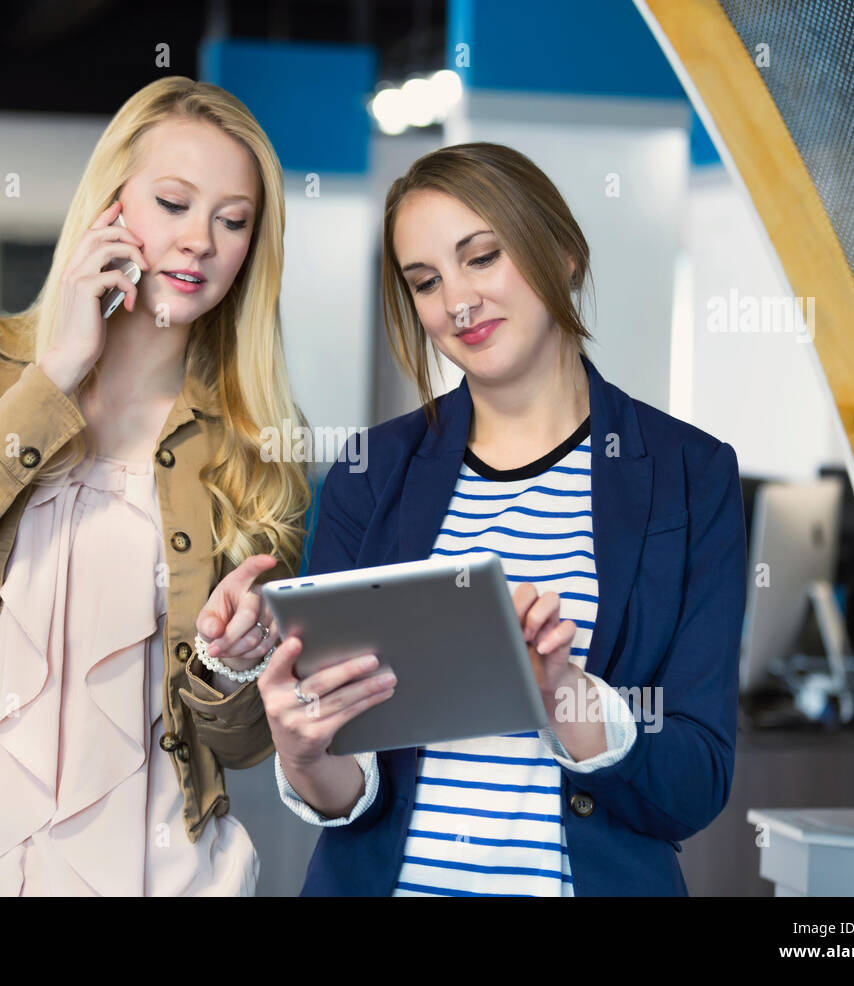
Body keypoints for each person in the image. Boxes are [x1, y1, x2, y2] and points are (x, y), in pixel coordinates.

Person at [0, 76, 309, 896]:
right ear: (111, 205)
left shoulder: (257, 444)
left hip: (143, 853)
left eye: (233, 221)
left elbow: (242, 741)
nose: (200, 240)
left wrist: (235, 666)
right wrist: (55, 374)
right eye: (173, 202)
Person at [255, 142, 747, 896]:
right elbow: (344, 794)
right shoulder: (370, 472)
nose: (456, 301)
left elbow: (695, 786)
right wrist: (304, 754)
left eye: (481, 258)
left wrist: (561, 691)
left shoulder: (691, 475)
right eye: (426, 281)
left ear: (563, 252)